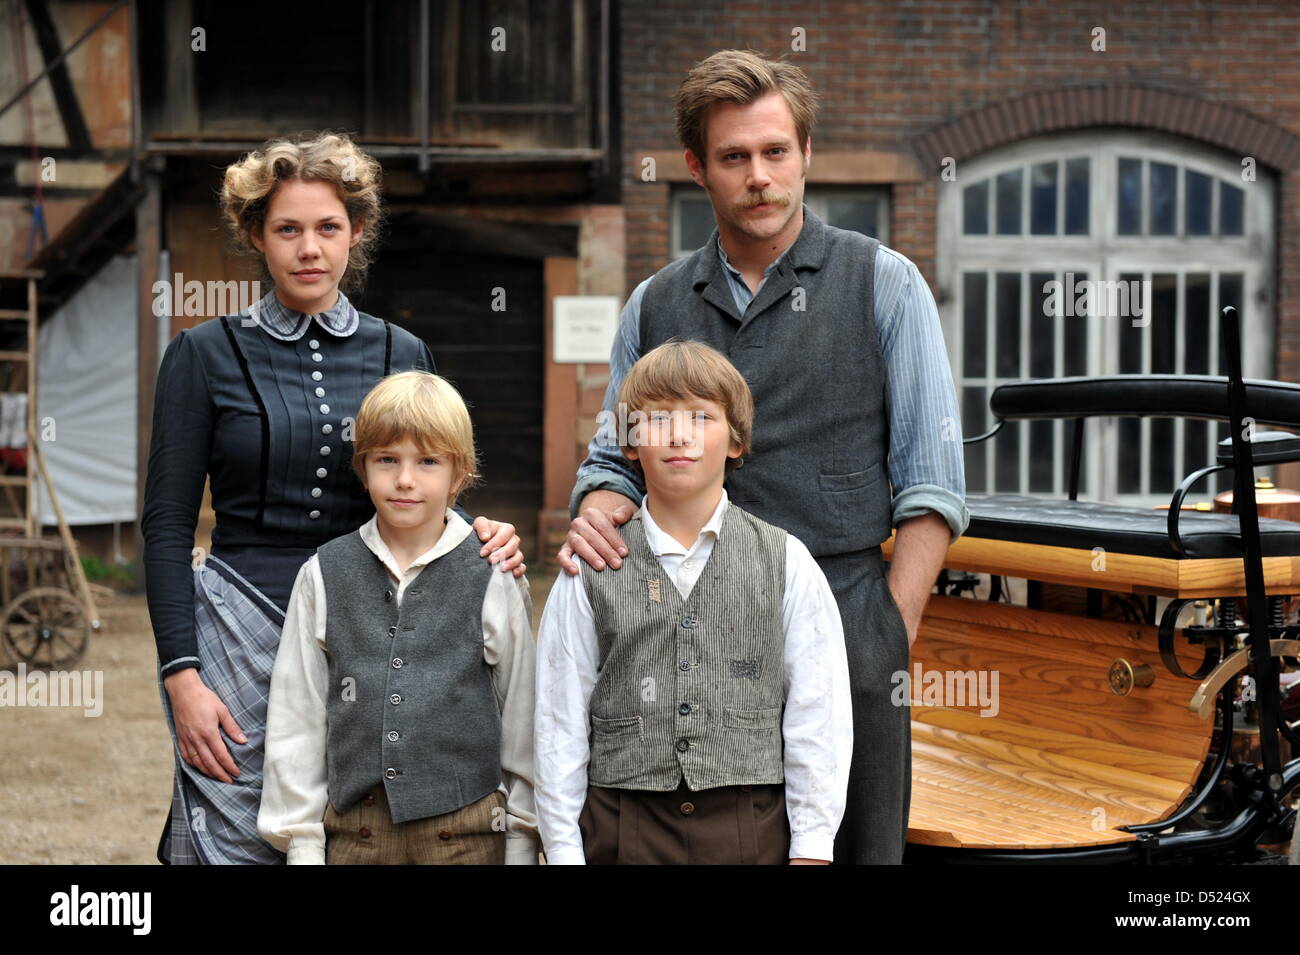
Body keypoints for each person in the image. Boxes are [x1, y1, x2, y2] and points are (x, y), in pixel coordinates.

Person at [558, 51, 969, 865]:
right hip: (678, 615)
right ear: (696, 168)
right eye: (735, 157)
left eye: (776, 152)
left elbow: (934, 486)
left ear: (806, 155)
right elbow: (612, 456)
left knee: (852, 848)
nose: (759, 176)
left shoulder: (884, 283)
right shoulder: (656, 303)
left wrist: (887, 628)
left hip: (848, 607)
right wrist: (599, 505)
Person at [142, 132, 525, 865]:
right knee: (242, 829)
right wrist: (181, 675)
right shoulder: (201, 353)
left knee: (357, 827)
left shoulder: (403, 352)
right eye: (287, 228)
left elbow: (429, 479)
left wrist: (481, 532)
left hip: (372, 620)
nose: (309, 247)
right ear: (257, 235)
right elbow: (164, 528)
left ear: (356, 232)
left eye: (328, 227)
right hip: (235, 630)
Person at [536, 340, 852, 865]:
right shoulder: (590, 566)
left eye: (701, 416)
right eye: (657, 419)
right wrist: (564, 849)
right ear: (630, 444)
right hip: (621, 823)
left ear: (735, 440)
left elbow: (818, 713)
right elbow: (559, 718)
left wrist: (813, 847)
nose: (679, 434)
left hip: (749, 824)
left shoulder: (786, 561)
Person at [257, 371, 539, 865]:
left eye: (427, 461)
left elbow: (522, 712)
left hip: (470, 836)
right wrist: (302, 843)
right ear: (363, 468)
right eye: (388, 459)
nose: (405, 479)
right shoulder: (323, 572)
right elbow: (296, 715)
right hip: (356, 840)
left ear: (459, 474)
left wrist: (522, 838)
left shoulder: (491, 571)